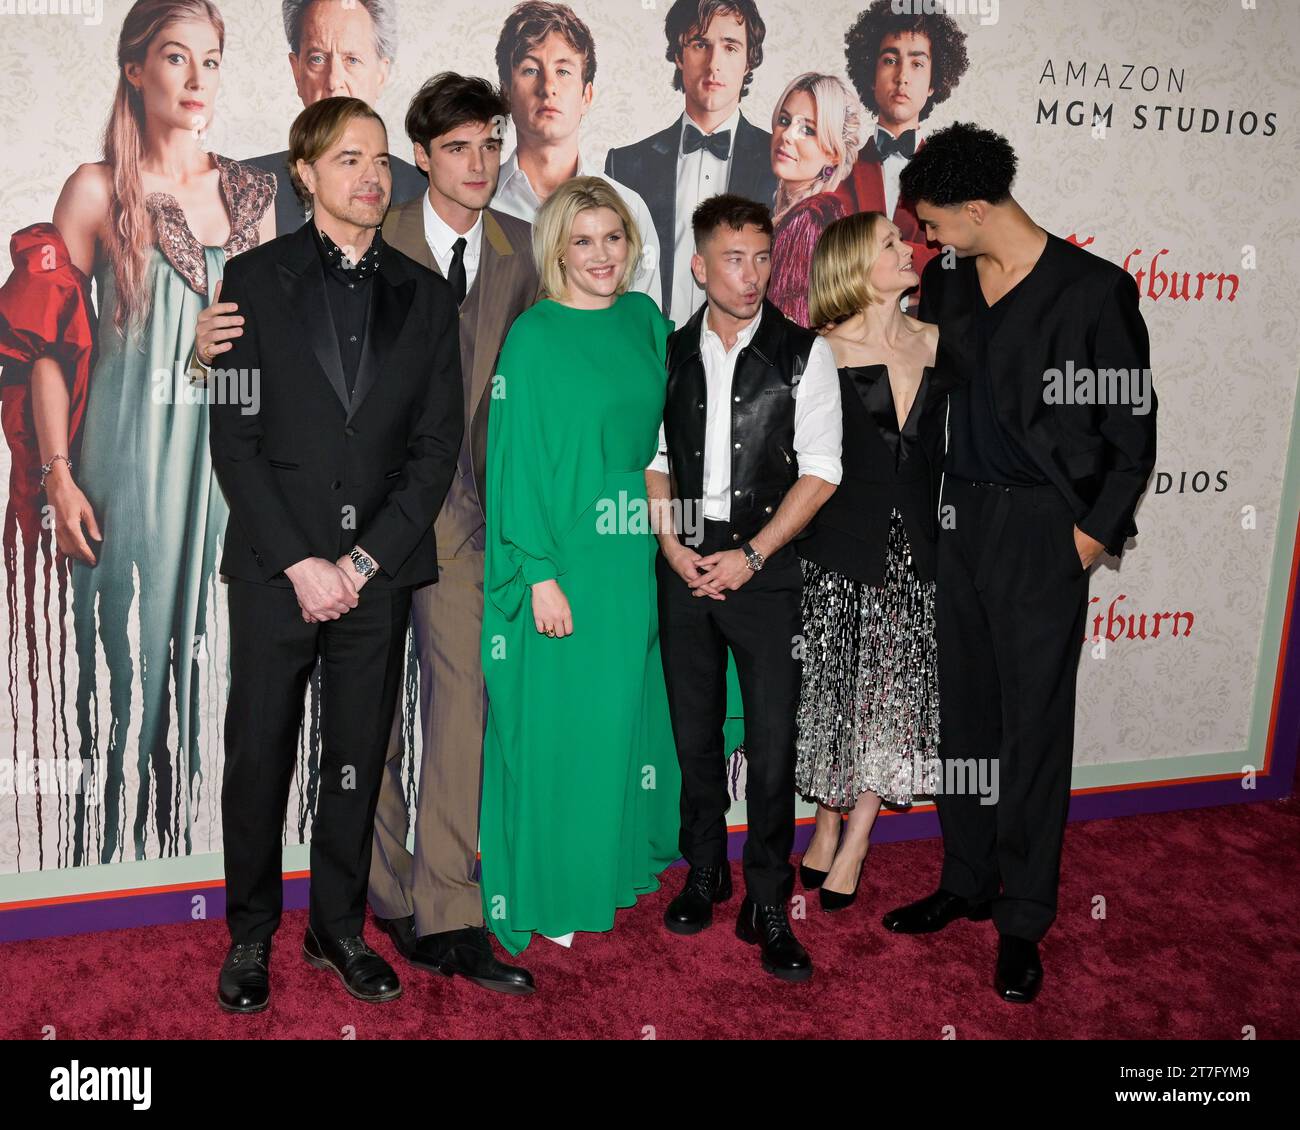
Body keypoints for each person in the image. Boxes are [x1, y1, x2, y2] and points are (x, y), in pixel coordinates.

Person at [881, 122, 1157, 1004]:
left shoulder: (1093, 292)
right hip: (958, 521)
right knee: (965, 718)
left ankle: (1024, 915)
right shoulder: (949, 281)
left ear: (976, 207)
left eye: (932, 224)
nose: (926, 241)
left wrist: (1086, 534)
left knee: (1031, 732)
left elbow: (1133, 434)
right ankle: (966, 881)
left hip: (1044, 533)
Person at [0, 0, 274, 867]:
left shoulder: (251, 192)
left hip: (228, 465)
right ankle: (105, 872)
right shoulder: (95, 188)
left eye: (212, 61)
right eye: (175, 58)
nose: (197, 81)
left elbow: (262, 348)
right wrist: (57, 477)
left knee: (221, 668)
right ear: (133, 68)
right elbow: (41, 349)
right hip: (125, 459)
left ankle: (203, 869)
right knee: (122, 664)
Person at [209, 96, 463, 1012]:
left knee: (361, 755)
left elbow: (437, 450)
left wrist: (360, 566)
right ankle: (247, 938)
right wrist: (302, 564)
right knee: (260, 755)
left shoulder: (429, 296)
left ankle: (338, 928)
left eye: (382, 160)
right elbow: (233, 441)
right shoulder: (245, 278)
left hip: (379, 574)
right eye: (349, 159)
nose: (372, 176)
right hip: (278, 572)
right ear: (305, 174)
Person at [364, 73, 537, 995]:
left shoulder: (521, 254)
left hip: (465, 521)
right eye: (459, 147)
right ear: (421, 157)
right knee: (370, 712)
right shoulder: (370, 237)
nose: (480, 164)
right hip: (367, 516)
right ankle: (386, 889)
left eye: (491, 145)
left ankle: (449, 907)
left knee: (463, 706)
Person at [478, 176, 681, 955]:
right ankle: (551, 885)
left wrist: (670, 534)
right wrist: (538, 576)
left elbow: (665, 441)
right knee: (556, 728)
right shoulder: (533, 337)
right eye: (584, 239)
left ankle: (609, 869)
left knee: (619, 721)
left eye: (614, 237)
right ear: (557, 246)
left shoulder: (644, 321)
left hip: (630, 552)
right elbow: (515, 463)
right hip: (563, 556)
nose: (601, 255)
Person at [649, 194, 842, 983]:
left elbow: (822, 471)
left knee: (770, 748)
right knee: (693, 735)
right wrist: (670, 544)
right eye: (734, 258)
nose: (753, 273)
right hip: (685, 568)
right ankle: (706, 870)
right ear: (700, 266)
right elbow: (655, 458)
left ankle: (767, 899)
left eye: (762, 257)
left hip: (767, 577)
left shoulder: (805, 353)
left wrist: (754, 556)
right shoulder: (668, 353)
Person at [794, 211, 955, 912]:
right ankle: (826, 822)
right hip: (839, 549)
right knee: (835, 696)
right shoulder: (818, 352)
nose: (907, 248)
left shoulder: (939, 342)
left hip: (918, 550)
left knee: (889, 695)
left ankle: (855, 836)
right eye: (890, 243)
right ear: (855, 267)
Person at [604, 0, 777, 324]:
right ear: (679, 55)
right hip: (653, 358)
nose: (714, 63)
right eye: (700, 44)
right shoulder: (625, 166)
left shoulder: (780, 163)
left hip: (752, 360)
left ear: (749, 61)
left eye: (730, 47)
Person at [490, 1, 662, 301]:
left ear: (587, 95)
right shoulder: (479, 204)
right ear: (506, 92)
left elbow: (641, 335)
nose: (548, 87)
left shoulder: (629, 210)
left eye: (564, 71)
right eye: (531, 69)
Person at [246, 0, 427, 235]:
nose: (333, 80)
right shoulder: (246, 186)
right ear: (296, 71)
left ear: (381, 74)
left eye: (352, 59)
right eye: (317, 59)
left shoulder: (422, 193)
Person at [832, 0, 970, 307]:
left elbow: (957, 259)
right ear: (870, 73)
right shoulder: (837, 167)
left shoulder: (955, 174)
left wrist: (868, 256)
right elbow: (826, 258)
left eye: (917, 63)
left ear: (934, 81)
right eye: (890, 60)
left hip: (928, 333)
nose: (902, 77)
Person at [766, 73, 863, 328]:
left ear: (832, 153)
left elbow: (790, 331)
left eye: (807, 129)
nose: (787, 135)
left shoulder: (809, 219)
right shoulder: (818, 213)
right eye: (784, 120)